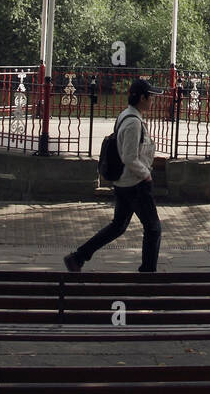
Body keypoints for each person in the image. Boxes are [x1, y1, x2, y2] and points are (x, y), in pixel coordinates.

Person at [64, 78, 163, 273]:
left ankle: (78, 257)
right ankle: (148, 273)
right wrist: (146, 175)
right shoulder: (133, 123)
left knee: (118, 226)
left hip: (123, 183)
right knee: (153, 228)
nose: (152, 101)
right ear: (142, 98)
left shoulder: (124, 116)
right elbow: (129, 157)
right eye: (150, 97)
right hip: (135, 184)